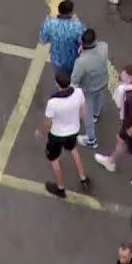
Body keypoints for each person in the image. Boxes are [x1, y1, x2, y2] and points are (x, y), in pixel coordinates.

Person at [38, 70, 91, 198]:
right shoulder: (78, 93)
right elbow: (83, 112)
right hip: (73, 130)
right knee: (73, 149)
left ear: (57, 84)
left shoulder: (53, 102)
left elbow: (48, 122)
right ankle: (83, 179)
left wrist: (40, 132)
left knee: (54, 159)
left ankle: (60, 188)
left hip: (57, 135)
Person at [71, 29, 109, 149]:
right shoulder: (104, 47)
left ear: (82, 44)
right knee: (99, 99)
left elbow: (75, 80)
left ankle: (91, 139)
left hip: (89, 88)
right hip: (103, 81)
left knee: (87, 113)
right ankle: (96, 114)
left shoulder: (81, 62)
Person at [38, 0, 84, 77]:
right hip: (73, 60)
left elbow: (42, 40)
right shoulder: (78, 26)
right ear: (71, 12)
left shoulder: (50, 24)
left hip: (57, 60)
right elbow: (83, 43)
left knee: (60, 82)